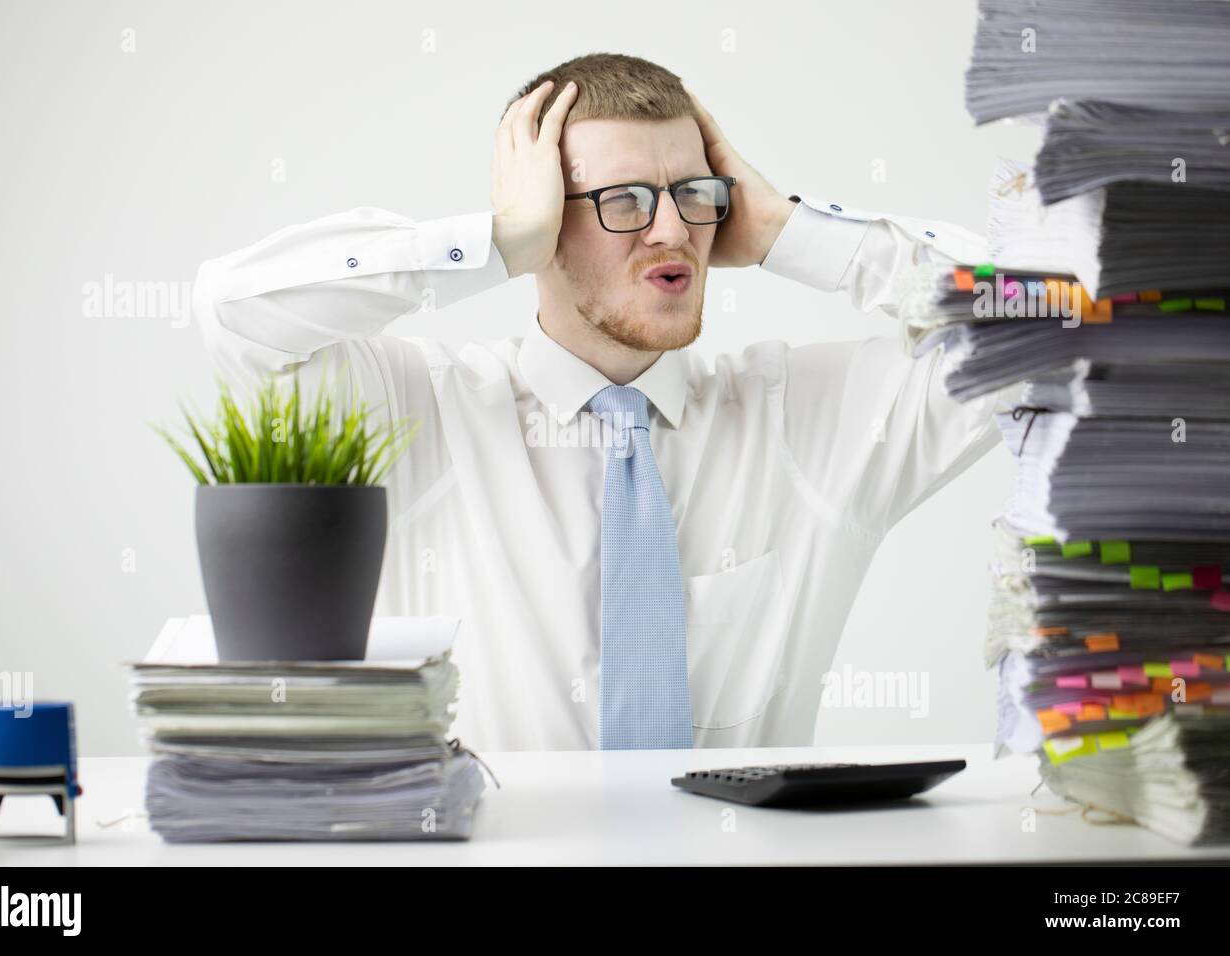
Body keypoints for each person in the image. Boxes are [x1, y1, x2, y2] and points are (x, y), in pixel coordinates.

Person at [193, 52, 1009, 751]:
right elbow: (234, 311)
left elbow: (1056, 326)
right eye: (622, 201)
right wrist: (494, 241)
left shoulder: (810, 420)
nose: (671, 232)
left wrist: (784, 231)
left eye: (694, 194)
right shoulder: (419, 411)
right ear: (543, 219)